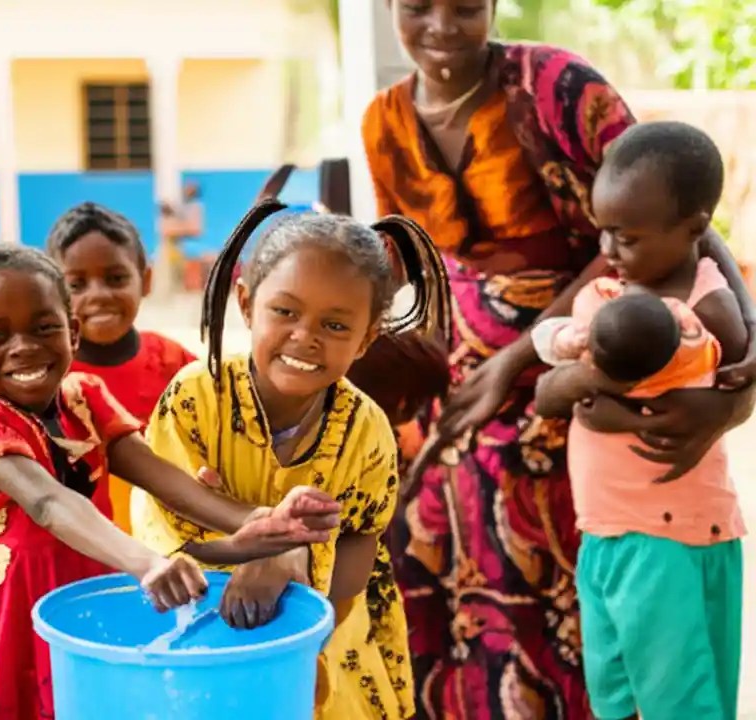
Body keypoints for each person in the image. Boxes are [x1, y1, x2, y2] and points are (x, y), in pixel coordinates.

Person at [362, 2, 756, 715]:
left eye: (465, 7)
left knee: (571, 561)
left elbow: (676, 216)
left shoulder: (558, 88)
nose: (442, 27)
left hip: (598, 362)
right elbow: (402, 268)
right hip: (459, 375)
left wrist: (742, 377)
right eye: (418, 7)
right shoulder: (383, 123)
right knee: (399, 527)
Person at [0, 241, 346, 720]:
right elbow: (46, 501)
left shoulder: (84, 398)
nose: (24, 348)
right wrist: (146, 563)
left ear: (73, 332)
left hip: (88, 613)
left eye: (44, 328)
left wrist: (261, 521)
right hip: (5, 630)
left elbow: (165, 479)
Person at [133, 197, 452, 718]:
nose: (304, 337)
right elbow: (165, 534)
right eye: (285, 312)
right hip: (203, 635)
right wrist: (254, 550)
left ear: (368, 338)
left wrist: (294, 564)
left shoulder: (366, 431)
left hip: (325, 639)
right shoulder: (196, 399)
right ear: (245, 302)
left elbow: (356, 556)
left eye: (335, 326)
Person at [531, 122, 745, 720]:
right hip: (610, 531)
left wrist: (593, 390)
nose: (608, 250)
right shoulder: (620, 293)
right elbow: (555, 387)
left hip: (665, 536)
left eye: (627, 236)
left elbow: (587, 390)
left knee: (680, 703)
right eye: (603, 230)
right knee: (616, 697)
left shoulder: (694, 315)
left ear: (694, 228)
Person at [46, 201, 197, 531]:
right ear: (52, 292)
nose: (98, 295)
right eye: (76, 285)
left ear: (146, 279)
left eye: (115, 278)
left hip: (171, 552)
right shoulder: (44, 379)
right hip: (82, 557)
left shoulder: (178, 365)